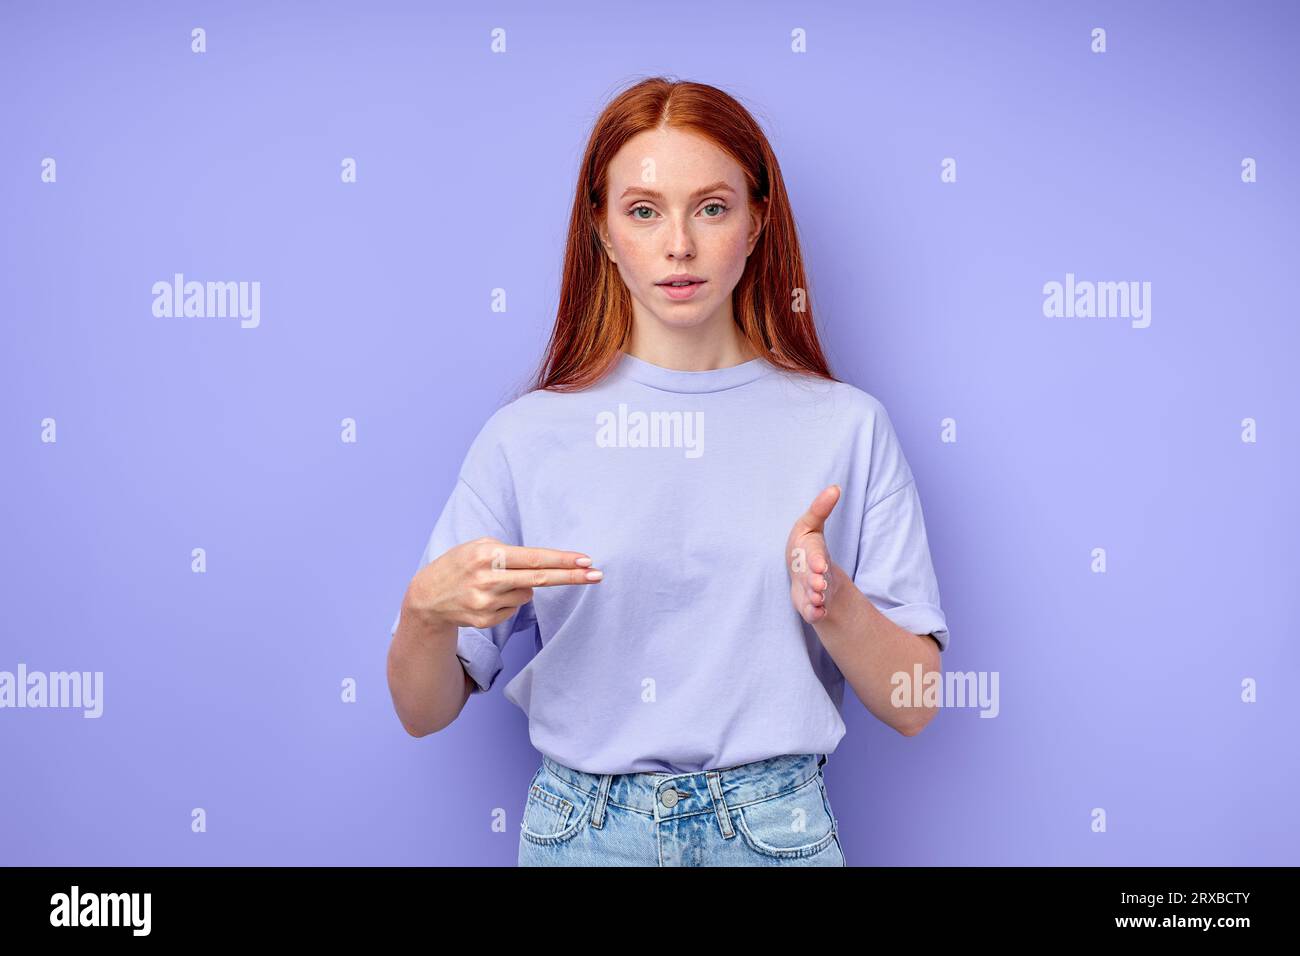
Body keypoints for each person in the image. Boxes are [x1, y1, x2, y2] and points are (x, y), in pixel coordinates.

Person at [386, 76, 949, 867]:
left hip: (774, 833)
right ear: (604, 232)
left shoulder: (847, 427)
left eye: (712, 207)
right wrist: (424, 613)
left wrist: (836, 605)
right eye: (643, 210)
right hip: (580, 834)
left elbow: (915, 705)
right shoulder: (525, 436)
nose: (678, 244)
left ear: (757, 223)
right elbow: (421, 712)